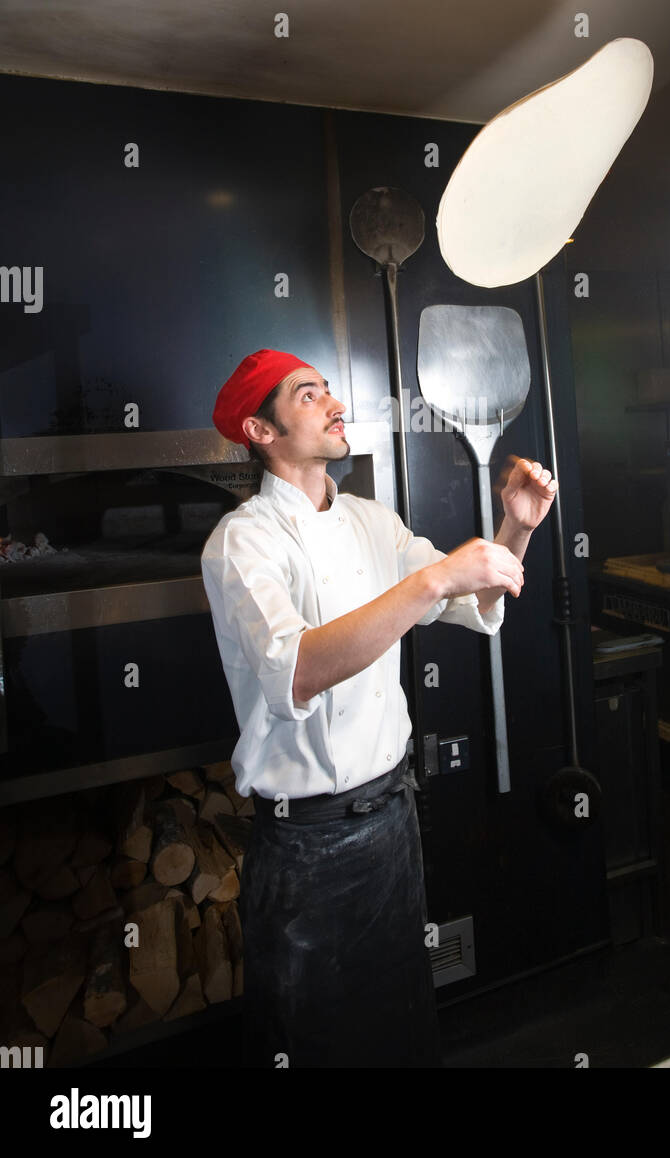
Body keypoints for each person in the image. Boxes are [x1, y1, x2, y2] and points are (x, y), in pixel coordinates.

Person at [202, 348, 558, 1068]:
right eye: (307, 395)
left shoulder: (371, 519)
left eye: (330, 389)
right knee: (314, 1046)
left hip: (392, 819)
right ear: (260, 429)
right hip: (305, 844)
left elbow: (474, 600)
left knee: (401, 1029)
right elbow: (298, 670)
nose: (333, 403)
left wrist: (514, 528)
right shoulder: (241, 543)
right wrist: (432, 579)